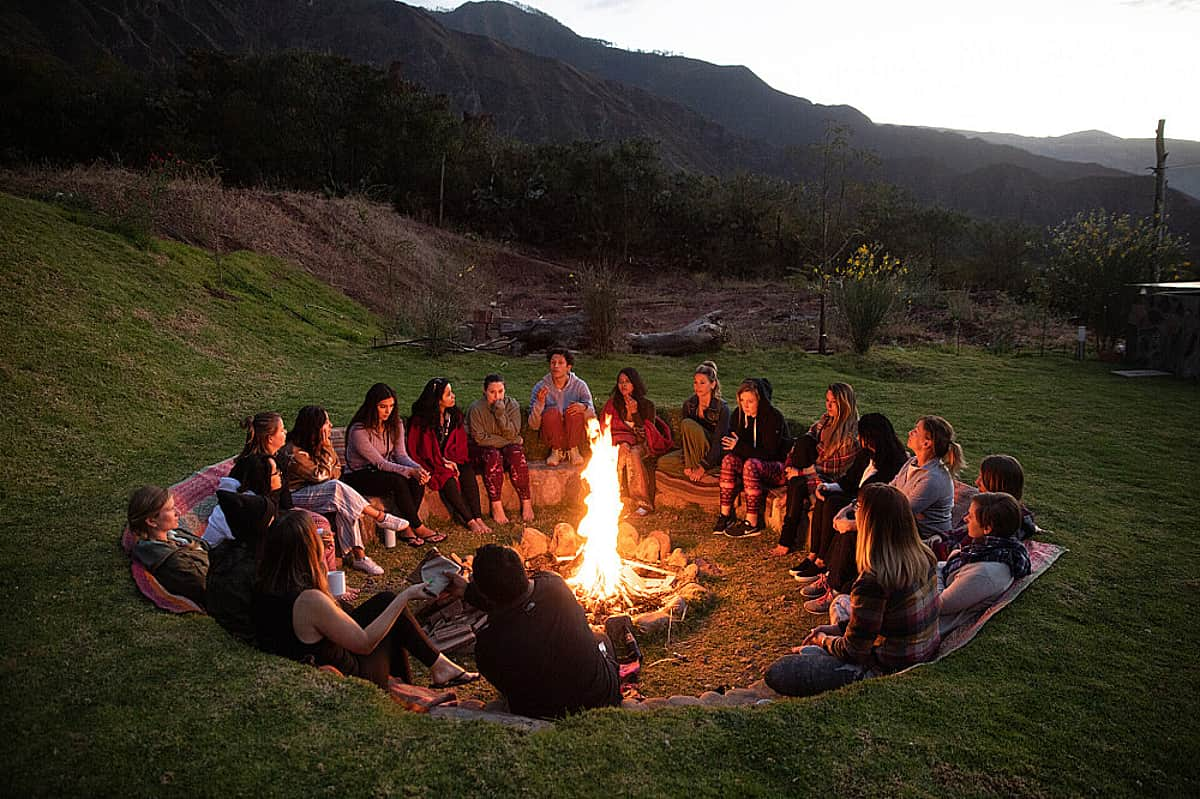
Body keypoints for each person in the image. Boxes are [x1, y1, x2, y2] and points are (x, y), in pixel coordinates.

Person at [252, 510, 477, 690]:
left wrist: (320, 560)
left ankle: (440, 666)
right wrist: (405, 596)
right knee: (392, 615)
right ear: (307, 549)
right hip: (353, 672)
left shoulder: (269, 583)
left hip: (324, 650)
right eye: (316, 537)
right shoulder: (309, 600)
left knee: (384, 601)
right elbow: (365, 642)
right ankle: (412, 683)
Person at [764, 484, 941, 696]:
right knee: (839, 604)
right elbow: (879, 620)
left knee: (779, 672)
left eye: (857, 507)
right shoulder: (924, 556)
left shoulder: (873, 580)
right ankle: (817, 651)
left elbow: (854, 652)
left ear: (869, 523)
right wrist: (837, 629)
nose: (854, 511)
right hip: (920, 652)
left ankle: (815, 655)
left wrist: (824, 641)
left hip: (886, 668)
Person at [461, 544, 622, 719]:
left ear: (483, 593)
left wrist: (468, 592)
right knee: (601, 638)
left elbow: (508, 609)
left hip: (541, 713)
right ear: (522, 571)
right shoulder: (555, 585)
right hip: (601, 698)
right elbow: (519, 600)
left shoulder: (487, 646)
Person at [794, 413, 909, 612]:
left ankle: (833, 581)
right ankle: (817, 557)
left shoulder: (893, 464)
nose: (857, 439)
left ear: (871, 437)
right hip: (857, 500)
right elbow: (850, 480)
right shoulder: (865, 455)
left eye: (860, 435)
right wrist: (829, 487)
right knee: (826, 499)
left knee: (843, 525)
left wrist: (851, 512)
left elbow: (882, 500)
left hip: (871, 509)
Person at [281, 405, 410, 576]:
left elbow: (335, 471)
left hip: (318, 492)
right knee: (337, 489)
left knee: (343, 503)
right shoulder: (293, 452)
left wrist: (328, 456)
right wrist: (327, 447)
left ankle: (359, 557)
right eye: (327, 423)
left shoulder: (315, 444)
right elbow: (322, 475)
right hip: (295, 496)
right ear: (314, 427)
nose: (331, 426)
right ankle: (380, 517)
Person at [342, 382, 444, 546]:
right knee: (399, 480)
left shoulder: (396, 425)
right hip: (360, 474)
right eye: (382, 406)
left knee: (417, 479)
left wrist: (417, 469)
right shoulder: (359, 430)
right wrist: (409, 471)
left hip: (383, 471)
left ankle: (405, 527)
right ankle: (417, 526)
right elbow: (380, 463)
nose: (387, 411)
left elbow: (401, 455)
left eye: (391, 406)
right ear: (372, 406)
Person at [772, 383, 860, 558]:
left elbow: (833, 467)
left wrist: (801, 472)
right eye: (827, 400)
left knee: (797, 484)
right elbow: (804, 442)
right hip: (811, 470)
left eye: (833, 402)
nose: (828, 406)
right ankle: (786, 538)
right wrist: (796, 467)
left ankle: (787, 540)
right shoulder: (826, 420)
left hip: (830, 478)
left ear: (844, 404)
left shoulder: (850, 434)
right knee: (803, 444)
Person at [938, 492, 1030, 635]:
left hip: (929, 626)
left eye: (971, 516)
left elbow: (938, 605)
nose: (965, 518)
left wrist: (934, 570)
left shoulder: (984, 574)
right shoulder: (991, 549)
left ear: (987, 528)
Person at [408, 378, 491, 534]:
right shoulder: (421, 420)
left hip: (448, 457)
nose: (453, 396)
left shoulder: (452, 416)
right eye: (448, 394)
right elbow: (421, 450)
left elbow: (458, 444)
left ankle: (478, 516)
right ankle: (469, 520)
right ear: (437, 400)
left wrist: (449, 460)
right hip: (429, 462)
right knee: (446, 476)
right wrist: (442, 462)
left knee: (466, 470)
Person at [714, 378, 791, 538]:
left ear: (760, 400)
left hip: (777, 468)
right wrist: (733, 445)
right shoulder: (739, 415)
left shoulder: (773, 417)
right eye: (742, 400)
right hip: (752, 466)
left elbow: (769, 453)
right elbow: (734, 446)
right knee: (728, 460)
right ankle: (725, 515)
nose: (745, 405)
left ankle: (752, 523)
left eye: (750, 401)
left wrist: (739, 446)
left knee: (750, 464)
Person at [127, 485, 210, 608]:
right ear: (151, 521)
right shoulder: (173, 561)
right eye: (171, 509)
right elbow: (208, 586)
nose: (178, 512)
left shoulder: (173, 535)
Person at [466, 374, 534, 524]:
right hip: (483, 451)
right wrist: (511, 440)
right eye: (492, 392)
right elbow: (480, 439)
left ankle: (526, 501)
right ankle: (496, 504)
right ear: (484, 391)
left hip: (502, 447)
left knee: (516, 452)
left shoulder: (512, 405)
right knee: (493, 454)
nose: (497, 396)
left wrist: (501, 414)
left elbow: (512, 432)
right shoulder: (476, 409)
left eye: (500, 391)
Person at [657, 360, 730, 483]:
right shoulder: (689, 404)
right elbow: (686, 439)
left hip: (712, 452)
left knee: (687, 424)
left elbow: (718, 443)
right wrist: (688, 463)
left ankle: (704, 470)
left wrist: (702, 467)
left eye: (702, 383)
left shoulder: (722, 408)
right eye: (695, 382)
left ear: (712, 385)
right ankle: (704, 472)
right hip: (693, 452)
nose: (697, 387)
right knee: (663, 463)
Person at [600, 367, 659, 516]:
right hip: (619, 443)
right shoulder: (613, 404)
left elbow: (647, 434)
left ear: (635, 384)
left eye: (627, 381)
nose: (623, 385)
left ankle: (643, 503)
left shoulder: (647, 405)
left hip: (642, 444)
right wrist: (622, 442)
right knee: (621, 451)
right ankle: (612, 498)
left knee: (633, 453)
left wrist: (635, 413)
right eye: (620, 382)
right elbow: (606, 429)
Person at [528, 348, 594, 467]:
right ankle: (556, 451)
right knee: (551, 412)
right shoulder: (540, 387)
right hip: (552, 436)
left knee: (575, 410)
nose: (556, 366)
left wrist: (584, 408)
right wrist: (540, 403)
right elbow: (533, 425)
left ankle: (573, 450)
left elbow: (592, 415)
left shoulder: (580, 386)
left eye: (560, 363)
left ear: (568, 367)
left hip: (574, 433)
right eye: (553, 363)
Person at [953, 454, 1038, 544]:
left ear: (999, 486)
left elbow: (958, 543)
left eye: (982, 479)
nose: (976, 482)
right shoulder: (1017, 515)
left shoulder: (990, 521)